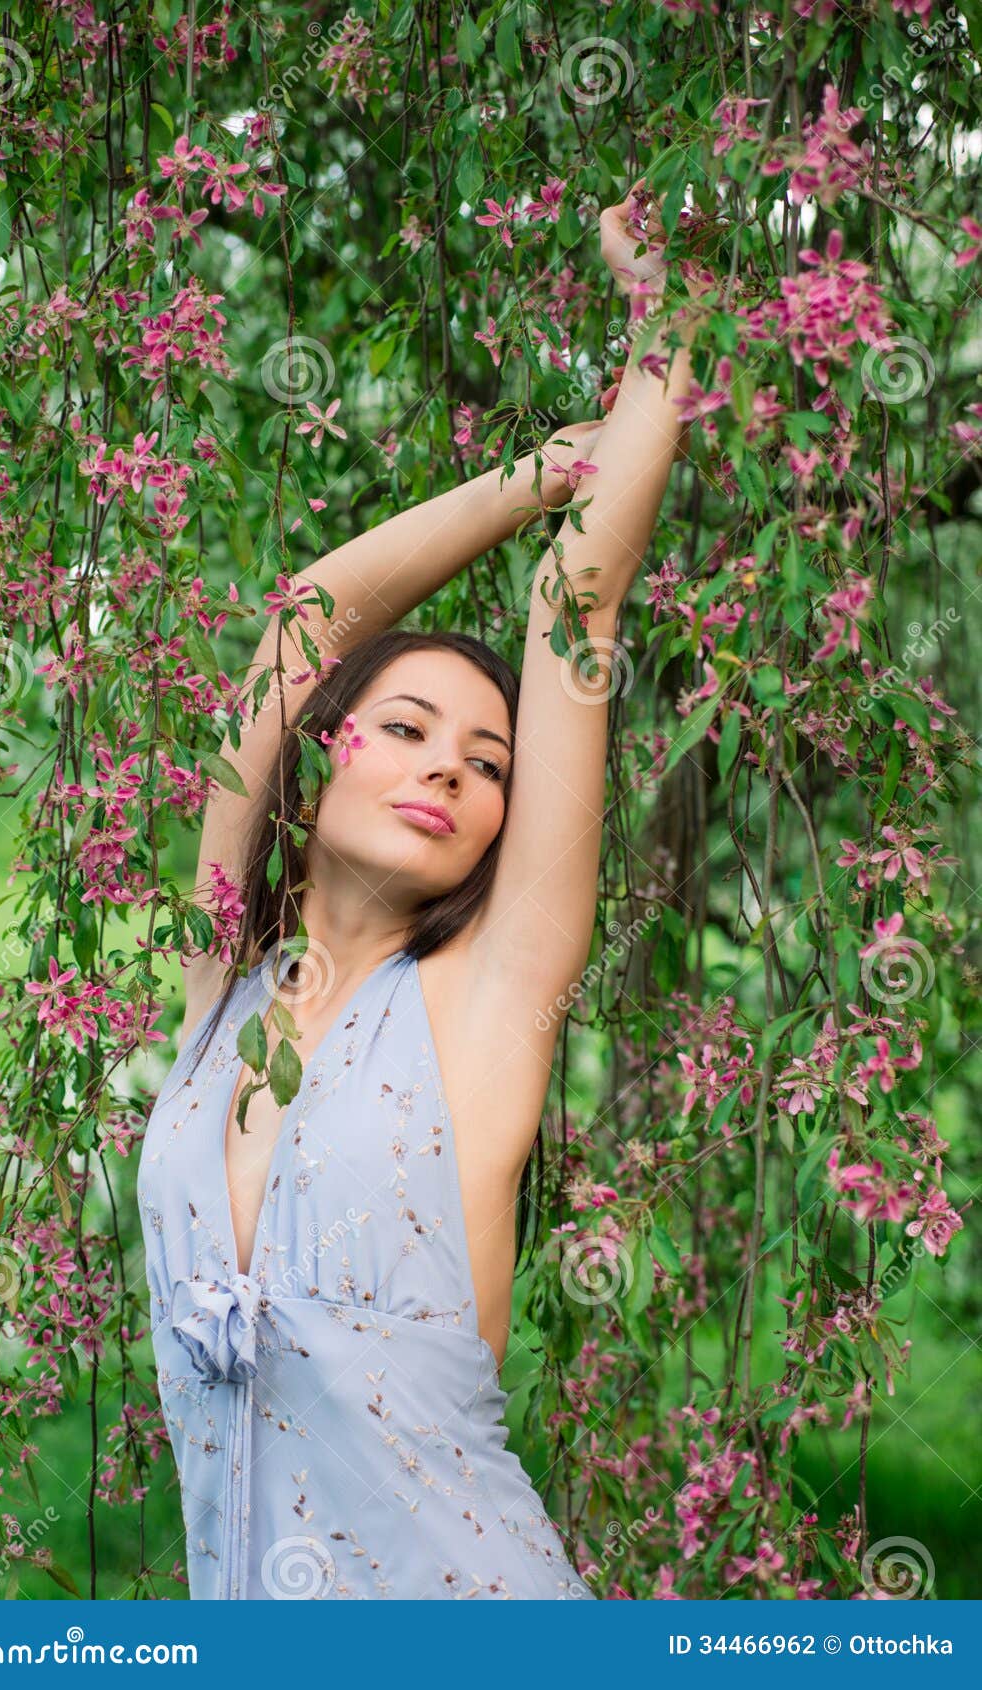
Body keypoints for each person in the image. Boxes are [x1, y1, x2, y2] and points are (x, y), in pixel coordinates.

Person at [137, 181, 703, 1599]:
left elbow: (580, 600)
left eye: (488, 760)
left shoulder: (484, 1003)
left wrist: (660, 322)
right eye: (403, 730)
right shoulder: (222, 978)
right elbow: (305, 619)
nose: (447, 767)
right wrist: (527, 476)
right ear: (320, 757)